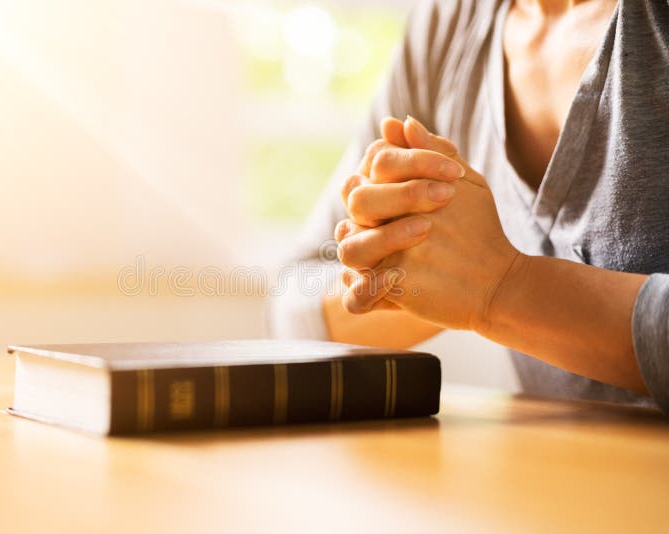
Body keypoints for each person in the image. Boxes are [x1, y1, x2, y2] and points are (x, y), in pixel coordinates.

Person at [268, 0, 669, 413]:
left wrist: (501, 289)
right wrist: (429, 271)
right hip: (545, 472)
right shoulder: (450, 23)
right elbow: (294, 303)